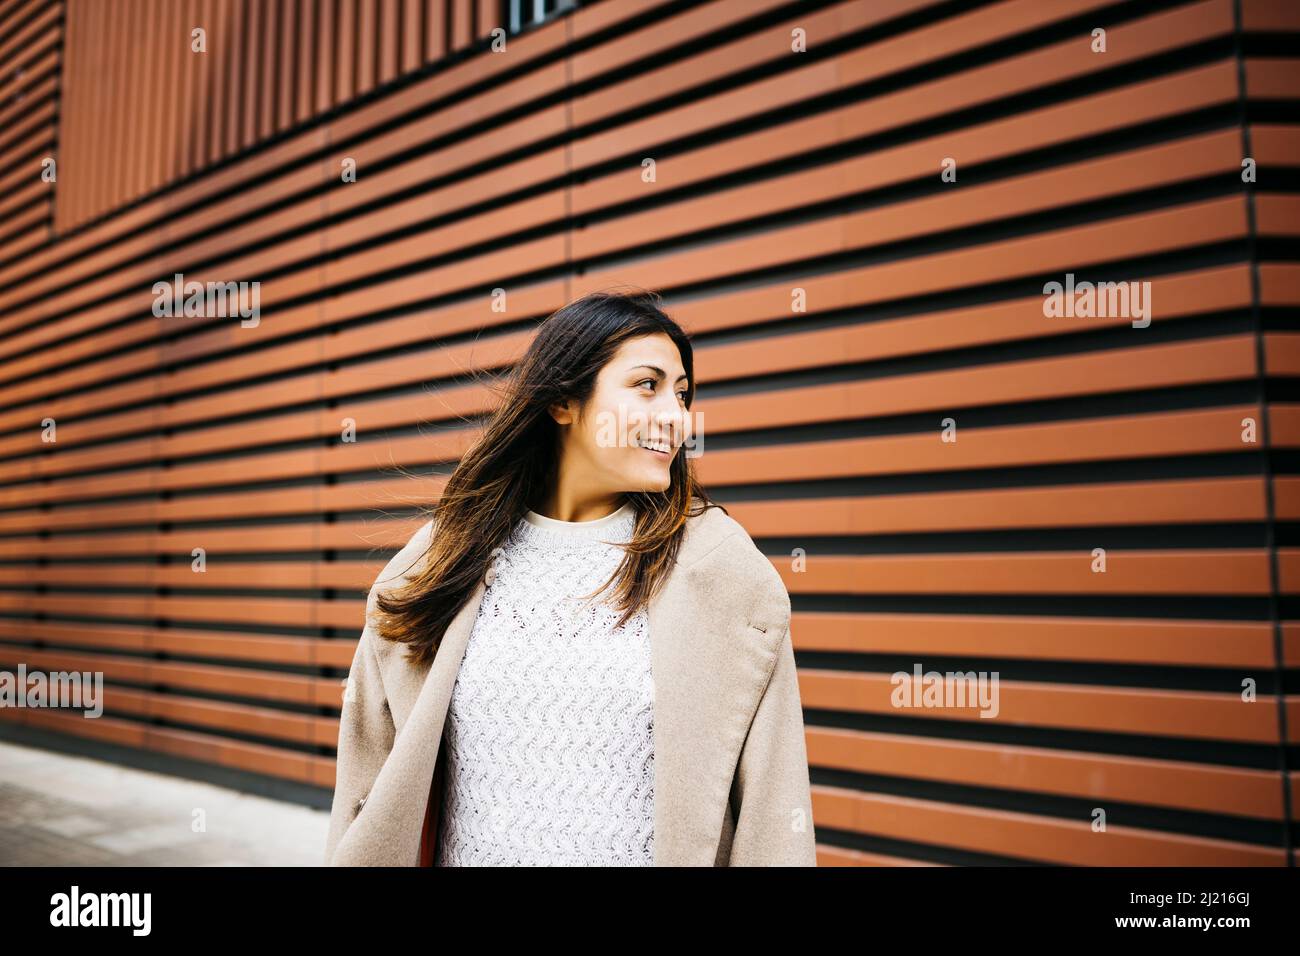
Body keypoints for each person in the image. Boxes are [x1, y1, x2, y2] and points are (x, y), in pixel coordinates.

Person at [324, 288, 816, 866]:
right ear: (563, 402)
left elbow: (774, 816)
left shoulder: (722, 575)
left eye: (683, 395)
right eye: (647, 385)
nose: (677, 418)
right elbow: (364, 793)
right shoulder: (440, 565)